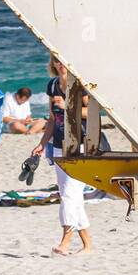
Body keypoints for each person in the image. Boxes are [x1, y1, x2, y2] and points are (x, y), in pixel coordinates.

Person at [30, 56, 92, 256]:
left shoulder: (80, 85)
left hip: (80, 145)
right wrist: (41, 143)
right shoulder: (53, 85)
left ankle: (65, 241)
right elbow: (51, 119)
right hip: (57, 144)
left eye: (63, 60)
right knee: (71, 195)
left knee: (69, 195)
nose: (60, 64)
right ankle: (88, 246)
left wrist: (68, 106)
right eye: (56, 60)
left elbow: (92, 113)